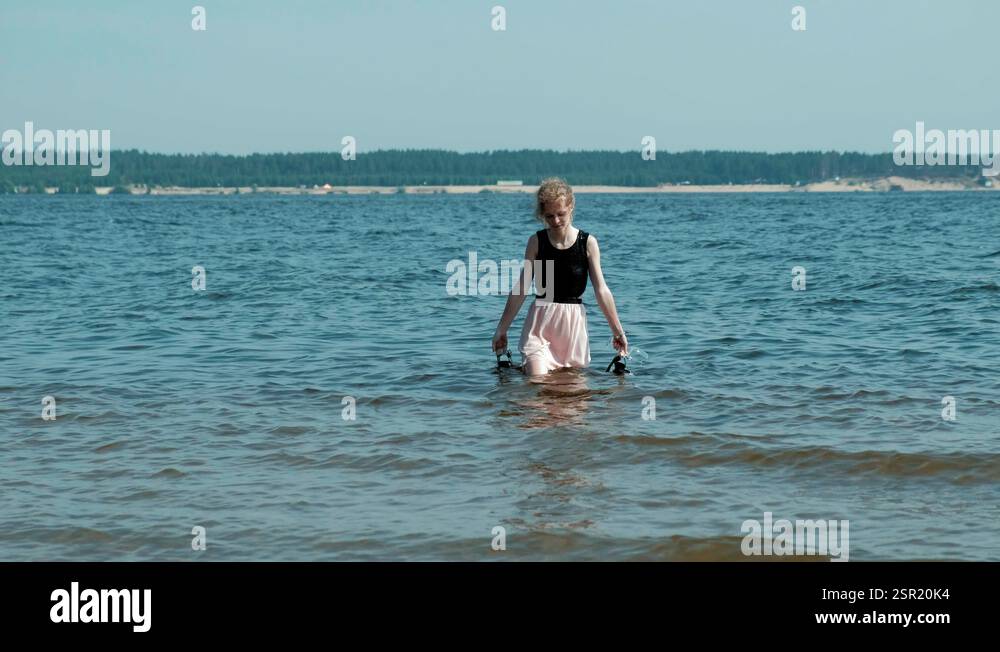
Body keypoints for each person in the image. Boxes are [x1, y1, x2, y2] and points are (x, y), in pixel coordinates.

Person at [491, 177, 628, 377]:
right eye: (549, 216)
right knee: (537, 381)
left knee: (571, 402)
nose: (555, 221)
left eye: (560, 214)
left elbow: (601, 290)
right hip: (540, 325)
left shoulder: (587, 243)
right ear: (542, 215)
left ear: (571, 207)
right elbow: (521, 288)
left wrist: (618, 331)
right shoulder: (536, 242)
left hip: (572, 327)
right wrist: (501, 329)